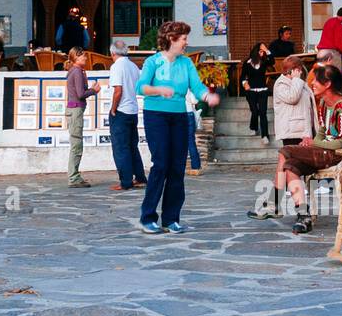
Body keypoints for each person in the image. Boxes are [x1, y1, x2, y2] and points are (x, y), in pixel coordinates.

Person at [135, 20, 220, 235]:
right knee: (161, 163)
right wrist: (158, 89)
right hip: (156, 116)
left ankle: (171, 219)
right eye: (183, 39)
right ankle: (148, 217)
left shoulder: (186, 63)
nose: (186, 42)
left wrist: (206, 96)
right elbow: (140, 86)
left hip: (180, 117)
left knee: (177, 166)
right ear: (171, 39)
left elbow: (197, 87)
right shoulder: (152, 62)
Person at [276, 65, 342, 234]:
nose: (312, 83)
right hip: (325, 152)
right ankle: (303, 216)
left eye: (315, 80)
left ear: (327, 84)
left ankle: (273, 201)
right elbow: (321, 133)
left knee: (286, 150)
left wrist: (316, 144)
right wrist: (313, 142)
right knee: (290, 166)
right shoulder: (323, 104)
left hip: (339, 155)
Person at [247, 56, 315, 220]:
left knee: (283, 165)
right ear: (294, 69)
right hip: (293, 131)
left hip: (301, 131)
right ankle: (274, 205)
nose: (302, 72)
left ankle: (273, 204)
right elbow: (293, 98)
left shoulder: (299, 83)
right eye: (299, 69)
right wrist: (297, 80)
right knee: (285, 166)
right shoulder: (282, 83)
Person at [106, 40, 146, 191]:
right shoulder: (133, 66)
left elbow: (118, 90)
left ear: (112, 53)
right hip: (133, 109)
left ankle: (125, 181)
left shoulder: (117, 66)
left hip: (121, 110)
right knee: (132, 146)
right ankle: (140, 177)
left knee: (120, 148)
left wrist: (113, 109)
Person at [65, 47, 101, 187]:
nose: (86, 58)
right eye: (83, 56)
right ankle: (73, 177)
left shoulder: (74, 71)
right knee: (76, 145)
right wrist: (94, 90)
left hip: (74, 110)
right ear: (76, 58)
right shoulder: (77, 72)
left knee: (76, 143)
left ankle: (74, 176)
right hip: (75, 110)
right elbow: (80, 94)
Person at [241, 42, 271, 145]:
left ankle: (265, 135)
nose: (262, 53)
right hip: (251, 91)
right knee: (255, 111)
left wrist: (266, 50)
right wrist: (245, 83)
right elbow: (242, 76)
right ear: (255, 52)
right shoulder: (247, 63)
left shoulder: (265, 61)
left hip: (263, 91)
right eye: (260, 51)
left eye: (263, 52)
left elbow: (273, 61)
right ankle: (253, 127)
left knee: (263, 112)